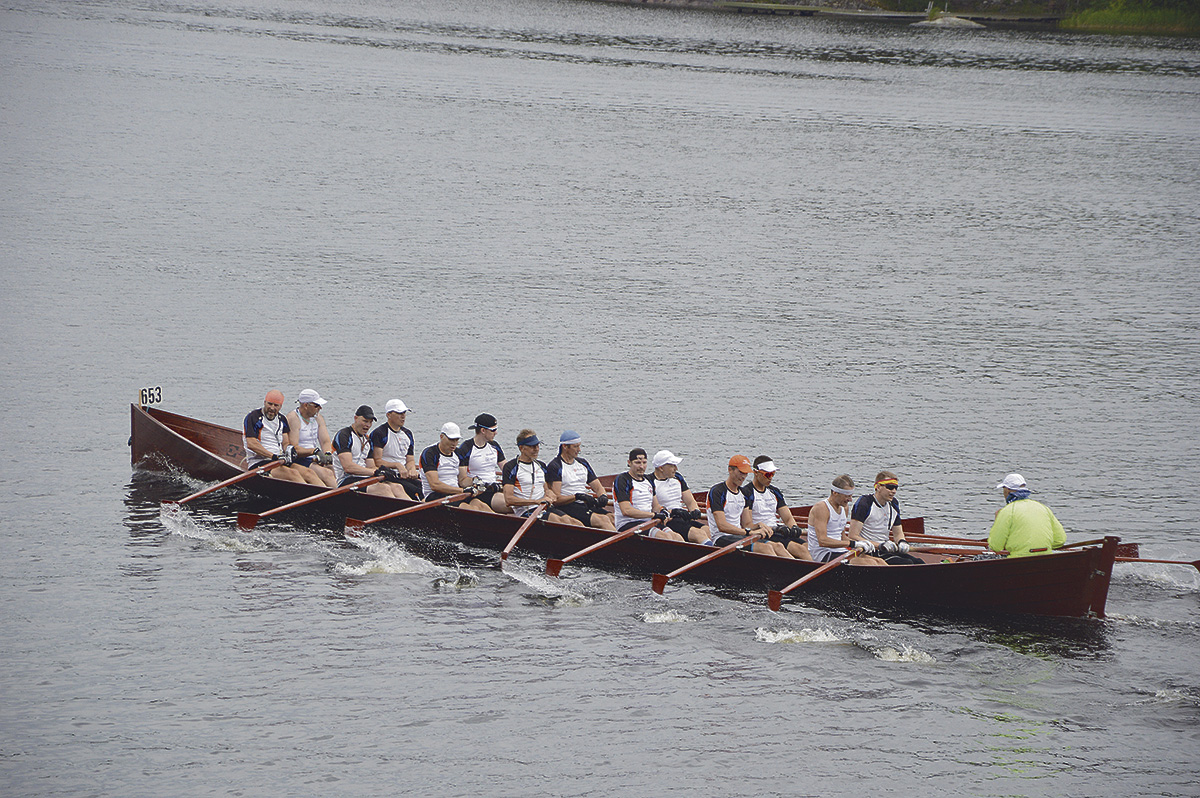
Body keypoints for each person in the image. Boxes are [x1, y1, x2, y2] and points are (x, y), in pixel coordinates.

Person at [705, 456, 794, 558]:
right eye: (741, 472)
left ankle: (799, 570)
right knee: (765, 548)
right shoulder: (717, 491)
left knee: (778, 546)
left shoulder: (744, 493)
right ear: (730, 470)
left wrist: (759, 525)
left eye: (746, 473)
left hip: (739, 536)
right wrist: (749, 532)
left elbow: (747, 523)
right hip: (721, 538)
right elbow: (722, 526)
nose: (743, 477)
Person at [806, 475, 887, 566]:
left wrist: (863, 543)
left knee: (880, 562)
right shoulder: (821, 508)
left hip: (840, 551)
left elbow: (842, 537)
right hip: (823, 554)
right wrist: (853, 544)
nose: (850, 500)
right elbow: (822, 541)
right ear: (835, 493)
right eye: (847, 496)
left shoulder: (844, 508)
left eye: (851, 496)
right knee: (870, 563)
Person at [331, 405, 408, 498]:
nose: (368, 425)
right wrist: (375, 472)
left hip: (363, 478)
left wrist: (382, 471)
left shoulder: (367, 440)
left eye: (370, 422)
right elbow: (348, 467)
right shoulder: (344, 435)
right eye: (365, 421)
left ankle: (413, 510)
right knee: (383, 488)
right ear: (356, 418)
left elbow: (371, 465)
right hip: (345, 481)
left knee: (397, 487)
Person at [744, 456, 811, 560]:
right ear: (756, 473)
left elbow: (788, 518)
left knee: (807, 546)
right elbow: (747, 524)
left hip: (777, 531)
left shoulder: (774, 491)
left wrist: (794, 528)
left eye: (773, 474)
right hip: (762, 533)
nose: (771, 477)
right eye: (768, 474)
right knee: (800, 550)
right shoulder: (747, 493)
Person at [847, 471, 922, 565]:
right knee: (907, 563)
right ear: (878, 487)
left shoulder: (894, 504)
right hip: (869, 550)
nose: (894, 491)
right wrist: (880, 545)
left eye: (896, 488)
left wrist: (902, 542)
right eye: (890, 487)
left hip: (886, 549)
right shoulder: (865, 503)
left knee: (919, 562)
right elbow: (853, 536)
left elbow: (898, 534)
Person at [545, 430, 616, 530]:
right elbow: (557, 500)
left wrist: (603, 496)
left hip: (584, 504)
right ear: (565, 446)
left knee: (612, 518)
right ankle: (619, 545)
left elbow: (598, 487)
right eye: (576, 447)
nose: (579, 450)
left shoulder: (583, 463)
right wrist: (577, 496)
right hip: (567, 505)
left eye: (579, 446)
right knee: (603, 520)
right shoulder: (556, 466)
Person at [500, 430, 576, 523]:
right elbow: (509, 500)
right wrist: (536, 501)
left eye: (537, 445)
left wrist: (550, 493)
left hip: (544, 507)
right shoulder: (511, 467)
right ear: (521, 448)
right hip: (527, 511)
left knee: (574, 522)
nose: (536, 449)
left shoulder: (541, 465)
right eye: (532, 446)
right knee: (560, 521)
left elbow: (546, 489)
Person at [242, 389, 313, 484]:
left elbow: (285, 443)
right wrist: (273, 456)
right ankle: (311, 494)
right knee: (293, 474)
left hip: (279, 460)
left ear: (280, 406)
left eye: (276, 405)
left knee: (309, 473)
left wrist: (289, 449)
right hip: (259, 463)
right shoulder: (253, 417)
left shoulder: (282, 419)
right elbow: (251, 444)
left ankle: (328, 495)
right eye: (269, 404)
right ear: (264, 402)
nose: (272, 408)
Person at [988, 473, 1066, 557]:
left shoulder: (1007, 511)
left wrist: (997, 521)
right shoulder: (1043, 507)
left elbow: (995, 546)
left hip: (1018, 560)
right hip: (1046, 558)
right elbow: (1060, 540)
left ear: (1007, 490)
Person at [612, 448, 678, 539]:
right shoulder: (623, 480)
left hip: (647, 522)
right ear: (629, 463)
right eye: (637, 463)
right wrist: (653, 515)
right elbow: (626, 510)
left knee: (677, 537)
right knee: (664, 537)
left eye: (644, 462)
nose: (641, 467)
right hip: (627, 524)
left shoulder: (648, 481)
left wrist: (663, 511)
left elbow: (656, 506)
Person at [647, 450, 706, 543]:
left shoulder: (678, 477)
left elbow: (690, 502)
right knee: (698, 534)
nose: (676, 468)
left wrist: (695, 510)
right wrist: (673, 512)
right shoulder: (649, 482)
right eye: (672, 466)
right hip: (667, 520)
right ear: (661, 468)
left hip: (681, 517)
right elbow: (653, 508)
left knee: (707, 530)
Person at [455, 413, 508, 513]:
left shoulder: (494, 446)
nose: (496, 433)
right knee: (511, 505)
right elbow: (462, 481)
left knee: (520, 502)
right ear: (483, 430)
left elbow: (506, 469)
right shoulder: (466, 448)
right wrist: (478, 482)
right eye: (493, 430)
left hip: (495, 488)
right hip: (479, 492)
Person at [368, 399, 420, 500]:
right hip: (387, 476)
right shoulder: (380, 433)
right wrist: (397, 465)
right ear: (389, 415)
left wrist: (412, 469)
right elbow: (377, 461)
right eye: (399, 413)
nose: (403, 416)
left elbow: (410, 460)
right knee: (414, 491)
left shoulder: (408, 434)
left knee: (422, 489)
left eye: (404, 413)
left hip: (404, 475)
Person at [284, 388, 335, 487]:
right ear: (306, 405)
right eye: (316, 406)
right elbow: (294, 448)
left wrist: (327, 453)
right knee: (326, 474)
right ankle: (333, 496)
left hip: (313, 457)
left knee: (332, 470)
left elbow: (325, 441)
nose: (320, 408)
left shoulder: (318, 418)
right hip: (299, 458)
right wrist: (314, 451)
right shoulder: (293, 418)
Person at [419, 422, 469, 501]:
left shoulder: (458, 453)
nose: (454, 444)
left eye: (456, 440)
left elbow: (463, 481)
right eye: (451, 439)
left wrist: (476, 482)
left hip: (455, 493)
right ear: (441, 436)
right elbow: (434, 485)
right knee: (465, 507)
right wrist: (462, 491)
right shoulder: (430, 453)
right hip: (435, 495)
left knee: (479, 504)